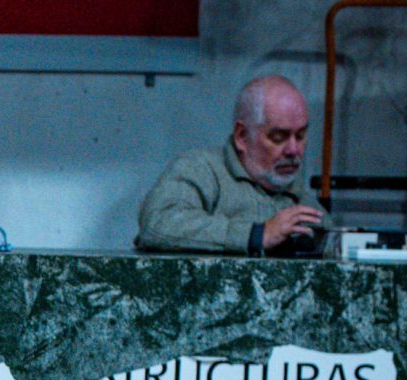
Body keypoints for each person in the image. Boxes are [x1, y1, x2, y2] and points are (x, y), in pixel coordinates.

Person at [136, 75, 323, 256]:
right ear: (242, 136)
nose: (293, 150)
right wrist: (256, 235)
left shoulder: (300, 197)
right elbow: (158, 224)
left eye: (300, 136)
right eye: (278, 137)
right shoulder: (201, 169)